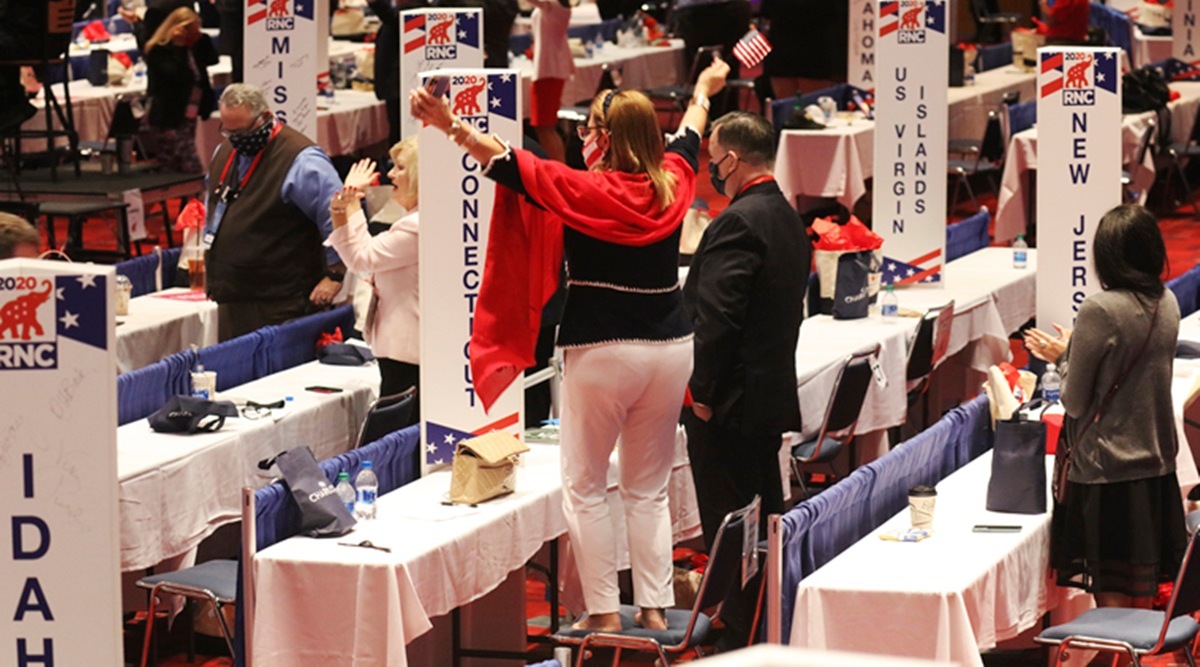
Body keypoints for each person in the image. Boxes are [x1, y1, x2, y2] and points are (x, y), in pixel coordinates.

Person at [410, 55, 730, 632]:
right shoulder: (677, 179)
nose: (581, 138)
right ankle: (655, 610)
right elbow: (693, 125)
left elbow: (507, 163)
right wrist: (707, 85)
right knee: (648, 489)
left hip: (602, 349)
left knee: (584, 486)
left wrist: (448, 124)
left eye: (587, 131)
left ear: (605, 140)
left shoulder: (584, 189)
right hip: (671, 347)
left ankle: (605, 613)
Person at [681, 110, 809, 645]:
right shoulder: (787, 217)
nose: (712, 167)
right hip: (768, 394)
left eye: (714, 159)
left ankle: (739, 634)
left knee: (732, 524)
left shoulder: (736, 221)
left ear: (732, 158)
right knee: (764, 518)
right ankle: (761, 620)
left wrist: (702, 393)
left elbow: (718, 319)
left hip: (729, 402)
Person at [1025, 204, 1186, 609]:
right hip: (1155, 463)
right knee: (1140, 598)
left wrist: (1063, 358)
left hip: (1106, 470)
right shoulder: (1167, 302)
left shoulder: (1100, 309)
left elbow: (1074, 401)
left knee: (1112, 609)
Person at [203, 83, 346, 341]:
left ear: (266, 117)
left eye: (243, 131)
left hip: (282, 303)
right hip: (233, 298)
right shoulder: (224, 151)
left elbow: (337, 215)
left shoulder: (302, 160)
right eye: (228, 131)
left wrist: (335, 275)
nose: (236, 139)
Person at [326, 139, 422, 413]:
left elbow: (361, 259)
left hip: (407, 351)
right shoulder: (416, 220)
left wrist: (352, 198)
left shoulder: (416, 227)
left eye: (400, 168)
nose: (390, 173)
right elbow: (358, 256)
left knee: (399, 436)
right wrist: (341, 207)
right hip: (401, 349)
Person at [143, 7, 217, 173]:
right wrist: (178, 46)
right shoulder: (159, 51)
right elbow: (176, 75)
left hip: (188, 114)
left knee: (175, 163)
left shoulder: (195, 49)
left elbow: (213, 59)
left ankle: (184, 197)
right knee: (187, 164)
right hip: (167, 116)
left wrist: (201, 38)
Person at [761, 0, 848, 99]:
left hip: (792, 50)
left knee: (788, 107)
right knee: (812, 106)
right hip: (813, 51)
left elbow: (766, 11)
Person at [529, 0, 573, 162]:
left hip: (548, 70)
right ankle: (559, 167)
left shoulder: (552, 5)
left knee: (545, 127)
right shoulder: (557, 6)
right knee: (546, 126)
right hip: (550, 68)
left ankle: (559, 168)